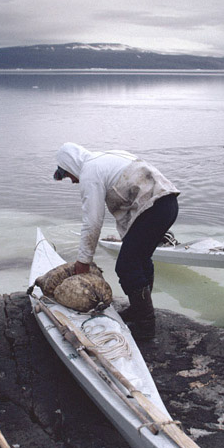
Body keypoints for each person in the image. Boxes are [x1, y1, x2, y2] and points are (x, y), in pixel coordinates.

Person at [53, 143, 179, 340]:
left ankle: (146, 326)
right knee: (141, 260)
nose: (71, 181)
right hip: (168, 204)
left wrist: (83, 261)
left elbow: (93, 221)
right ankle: (140, 311)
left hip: (154, 208)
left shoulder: (89, 172)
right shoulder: (107, 157)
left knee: (126, 266)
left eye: (68, 175)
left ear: (70, 165)